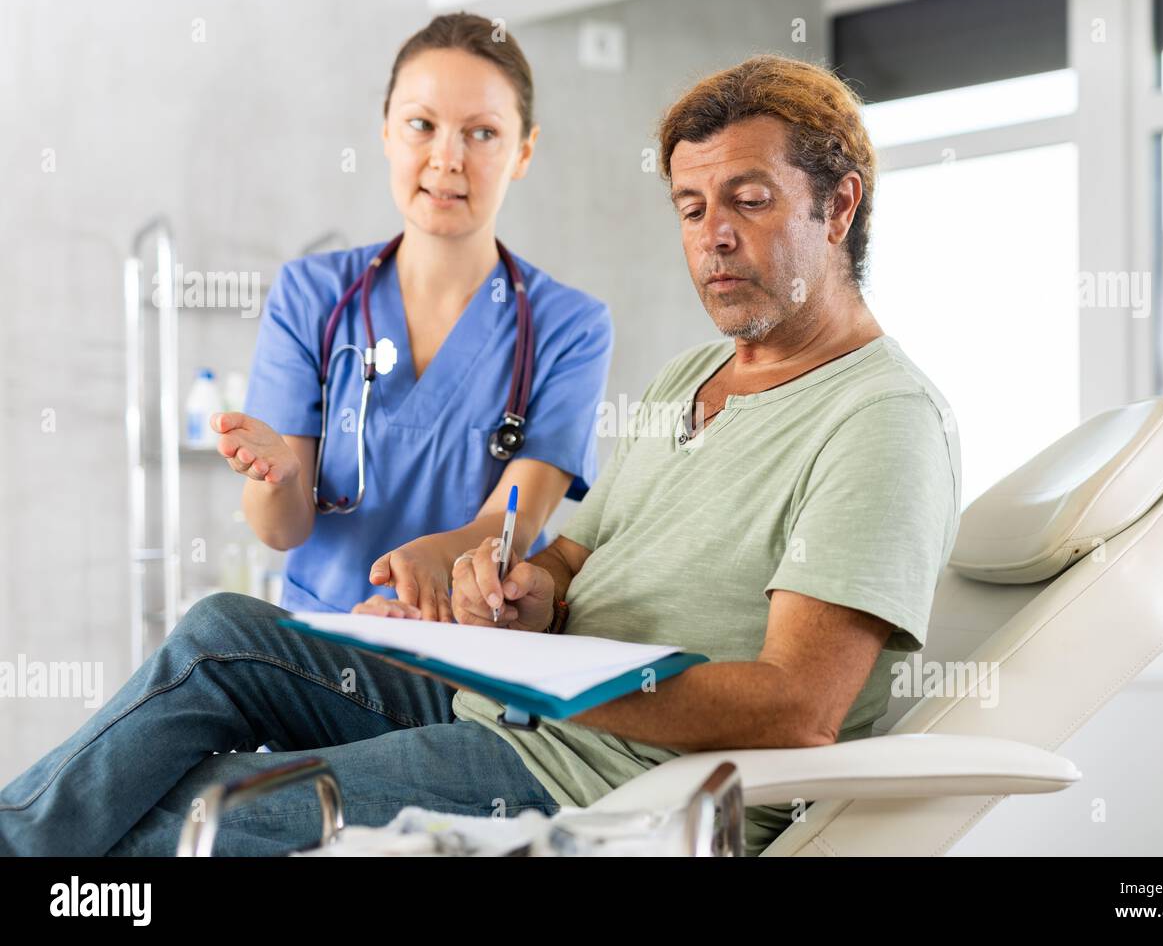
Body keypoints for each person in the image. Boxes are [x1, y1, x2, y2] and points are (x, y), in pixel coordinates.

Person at [0, 55, 958, 858]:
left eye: (749, 201)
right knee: (217, 635)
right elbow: (578, 557)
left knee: (205, 808)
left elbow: (796, 708)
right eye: (691, 204)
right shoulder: (691, 379)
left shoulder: (882, 418)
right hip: (509, 691)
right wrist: (522, 592)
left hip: (593, 769)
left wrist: (572, 678)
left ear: (838, 208)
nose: (711, 236)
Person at [214, 11, 612, 619]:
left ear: (523, 150)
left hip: (453, 657)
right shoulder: (310, 294)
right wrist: (280, 478)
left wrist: (429, 567)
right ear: (386, 134)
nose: (447, 158)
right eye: (421, 125)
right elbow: (280, 531)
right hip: (317, 645)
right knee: (214, 624)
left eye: (481, 133)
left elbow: (514, 525)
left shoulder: (571, 328)